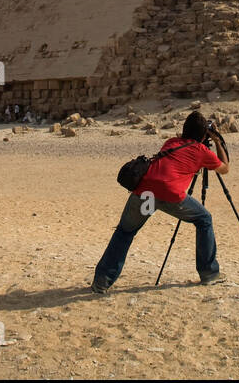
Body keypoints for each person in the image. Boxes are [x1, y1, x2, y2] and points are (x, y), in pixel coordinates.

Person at [91, 110, 229, 293]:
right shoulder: (202, 151)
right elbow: (225, 168)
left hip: (144, 192)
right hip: (171, 196)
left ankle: (101, 282)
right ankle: (209, 274)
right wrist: (217, 140)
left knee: (125, 232)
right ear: (203, 134)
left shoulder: (171, 143)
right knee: (204, 219)